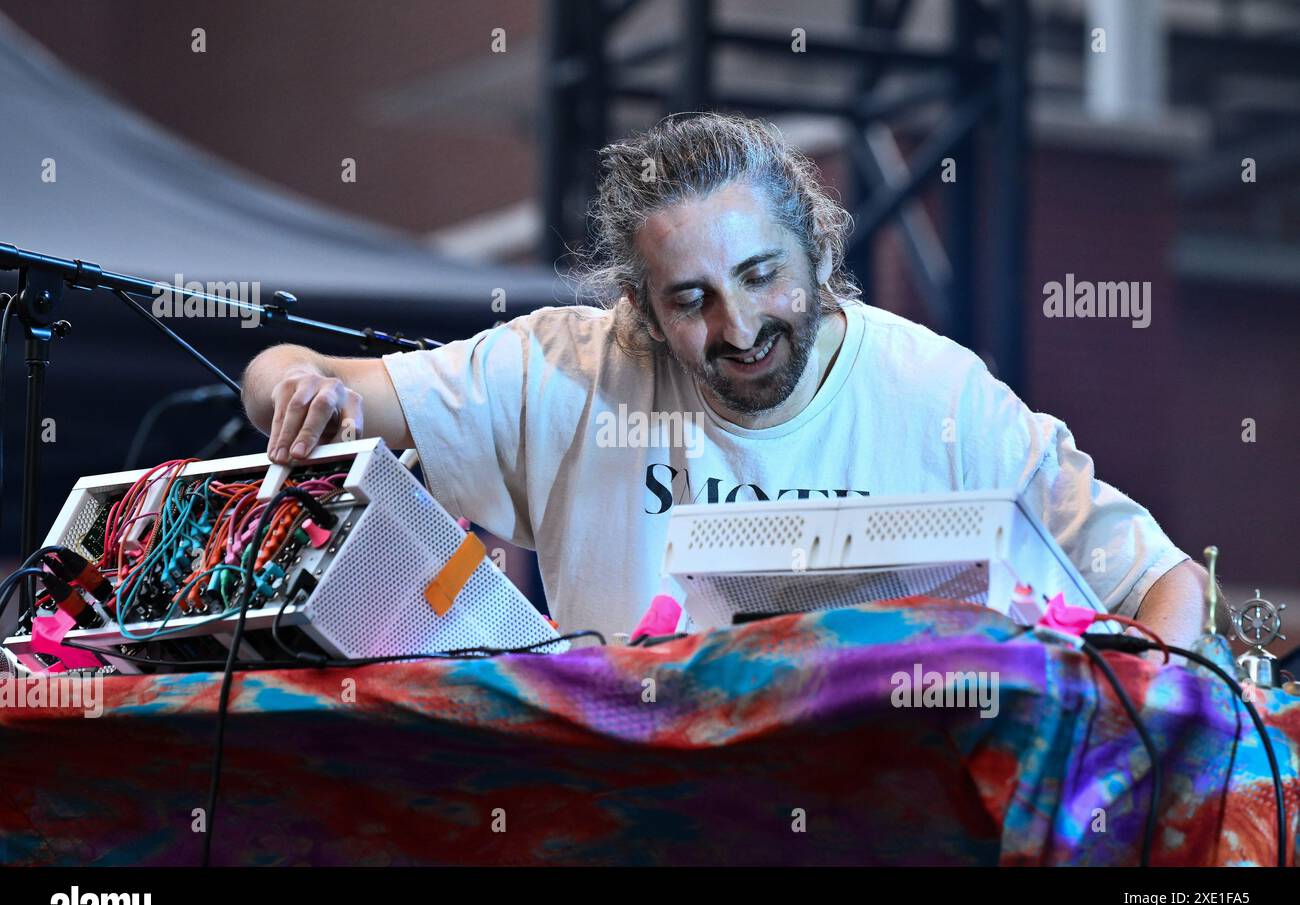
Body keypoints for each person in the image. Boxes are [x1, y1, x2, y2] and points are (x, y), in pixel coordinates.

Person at [241, 112, 1211, 644]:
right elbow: (289, 372)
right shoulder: (568, 364)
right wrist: (296, 388)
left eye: (761, 277)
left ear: (819, 250)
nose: (738, 328)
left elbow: (1161, 579)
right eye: (690, 298)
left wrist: (1151, 729)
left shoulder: (939, 392)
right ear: (639, 306)